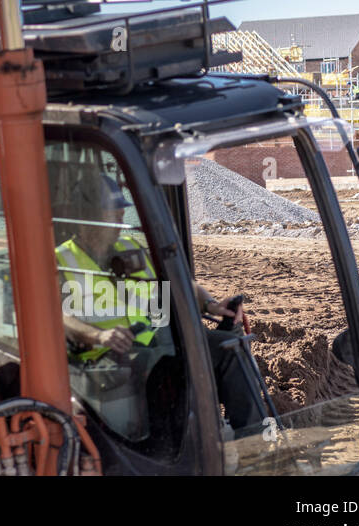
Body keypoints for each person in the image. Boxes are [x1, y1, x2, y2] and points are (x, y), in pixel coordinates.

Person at [56, 172, 262, 435]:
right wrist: (99, 335)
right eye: (113, 211)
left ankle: (254, 443)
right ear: (86, 217)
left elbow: (179, 283)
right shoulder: (61, 261)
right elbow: (56, 317)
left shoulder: (129, 246)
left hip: (158, 346)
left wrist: (210, 304)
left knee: (229, 349)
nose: (121, 217)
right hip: (107, 362)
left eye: (122, 210)